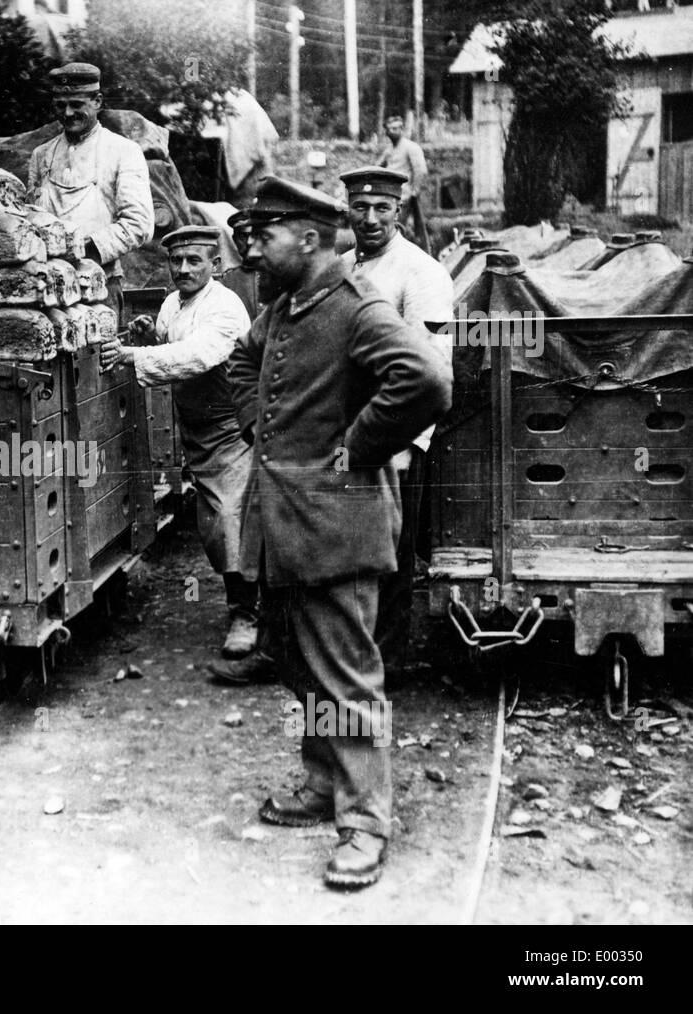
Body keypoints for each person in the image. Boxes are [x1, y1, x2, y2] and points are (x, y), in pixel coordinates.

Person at [227, 177, 451, 888]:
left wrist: (357, 448)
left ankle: (364, 821)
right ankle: (324, 780)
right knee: (297, 662)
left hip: (339, 524)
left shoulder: (358, 308)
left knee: (347, 675)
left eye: (266, 234)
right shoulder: (288, 306)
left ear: (312, 237)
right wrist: (258, 429)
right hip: (286, 523)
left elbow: (426, 380)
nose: (253, 246)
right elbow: (242, 362)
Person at [98, 226, 256, 659]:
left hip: (230, 428)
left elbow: (200, 354)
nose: (183, 269)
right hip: (196, 429)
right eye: (176, 261)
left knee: (228, 520)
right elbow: (174, 341)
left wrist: (136, 356)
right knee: (212, 524)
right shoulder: (173, 302)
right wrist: (150, 336)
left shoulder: (225, 307)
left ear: (216, 266)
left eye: (194, 261)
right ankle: (249, 601)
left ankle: (248, 613)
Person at [339, 166, 455, 661]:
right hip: (343, 431)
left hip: (392, 435)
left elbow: (432, 369)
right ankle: (350, 651)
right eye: (360, 208)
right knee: (347, 546)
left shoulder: (421, 273)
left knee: (390, 553)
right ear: (348, 210)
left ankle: (388, 661)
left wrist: (409, 443)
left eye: (381, 208)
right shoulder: (340, 267)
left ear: (399, 211)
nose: (370, 218)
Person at [27, 62, 154, 323]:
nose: (68, 113)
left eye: (76, 104)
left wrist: (83, 248)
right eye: (60, 105)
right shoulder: (41, 155)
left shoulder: (123, 151)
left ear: (97, 101)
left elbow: (139, 224)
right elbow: (32, 217)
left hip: (100, 286)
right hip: (48, 291)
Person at [379, 115, 431, 255]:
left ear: (402, 129)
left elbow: (421, 170)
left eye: (396, 128)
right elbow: (379, 166)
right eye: (389, 129)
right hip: (387, 195)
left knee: (398, 228)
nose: (392, 131)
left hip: (404, 196)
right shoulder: (389, 149)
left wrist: (415, 190)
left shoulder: (411, 147)